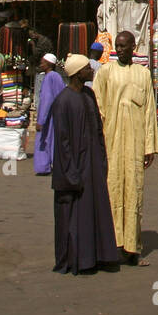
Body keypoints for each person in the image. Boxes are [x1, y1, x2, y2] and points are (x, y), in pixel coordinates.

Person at [92, 31, 158, 266]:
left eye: (123, 46)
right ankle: (110, 247)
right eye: (117, 47)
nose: (119, 50)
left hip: (134, 145)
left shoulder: (143, 74)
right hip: (111, 143)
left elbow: (149, 112)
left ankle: (132, 249)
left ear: (133, 46)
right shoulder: (105, 73)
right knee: (111, 193)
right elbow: (97, 108)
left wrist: (149, 146)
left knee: (134, 196)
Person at [51, 54, 120, 275]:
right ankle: (78, 260)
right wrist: (72, 173)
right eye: (88, 69)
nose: (92, 71)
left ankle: (99, 255)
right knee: (75, 216)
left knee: (96, 209)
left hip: (93, 165)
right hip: (74, 170)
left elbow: (97, 130)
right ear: (78, 73)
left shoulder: (89, 95)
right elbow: (62, 142)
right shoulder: (63, 101)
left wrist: (101, 159)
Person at [33, 53, 64, 176]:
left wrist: (41, 120)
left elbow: (47, 99)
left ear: (49, 64)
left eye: (43, 62)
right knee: (53, 140)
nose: (41, 64)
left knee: (44, 140)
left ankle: (43, 166)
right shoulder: (56, 76)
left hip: (49, 116)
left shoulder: (49, 77)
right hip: (55, 115)